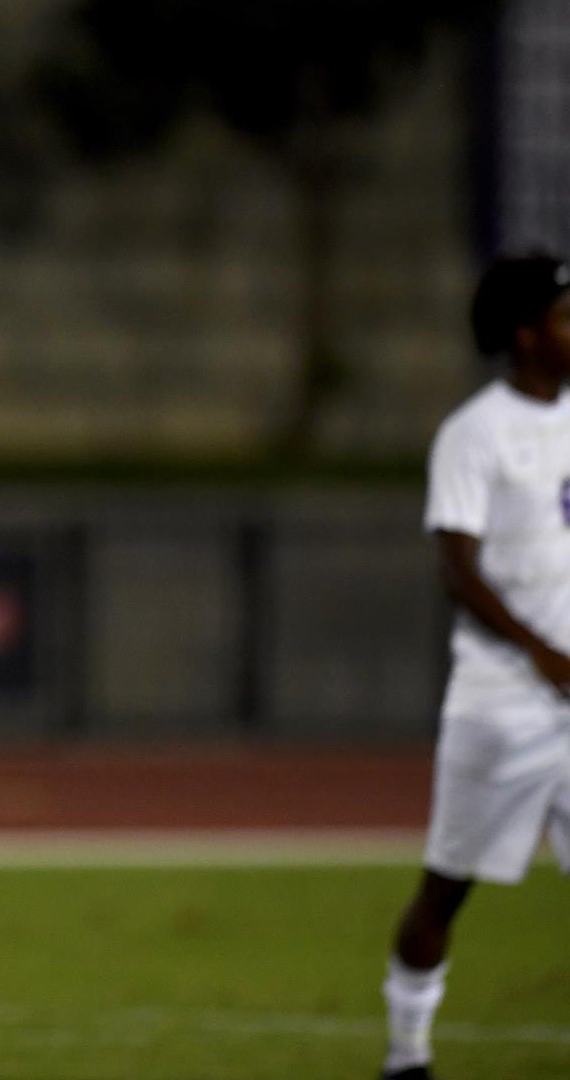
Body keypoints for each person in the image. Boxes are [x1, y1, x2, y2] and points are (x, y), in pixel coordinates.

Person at [380, 253, 570, 1080]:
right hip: (503, 705)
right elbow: (456, 566)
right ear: (528, 335)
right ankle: (407, 1051)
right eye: (567, 317)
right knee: (446, 888)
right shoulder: (475, 433)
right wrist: (539, 649)